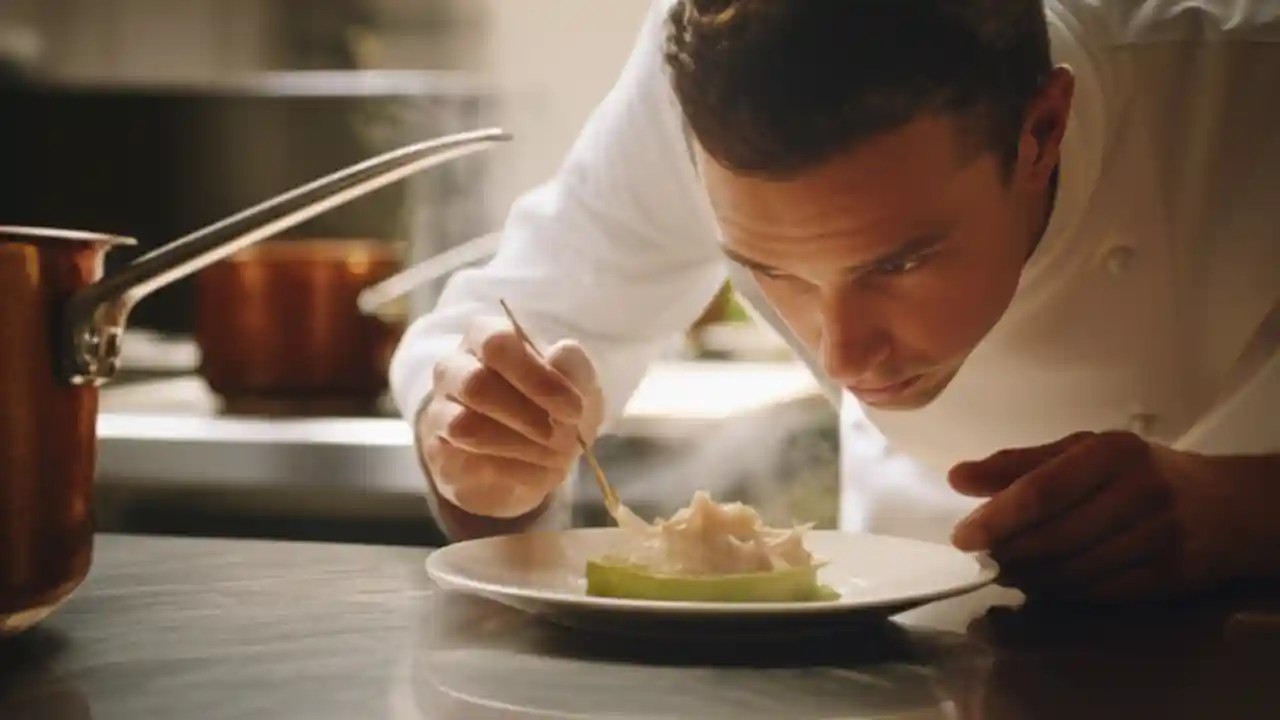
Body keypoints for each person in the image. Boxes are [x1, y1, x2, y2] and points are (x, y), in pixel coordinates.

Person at [390, 0, 1280, 602]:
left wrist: (1242, 511)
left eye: (899, 264)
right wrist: (479, 444)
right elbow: (506, 335)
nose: (845, 361)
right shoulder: (697, 88)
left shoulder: (1246, 84)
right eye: (774, 273)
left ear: (1042, 130)